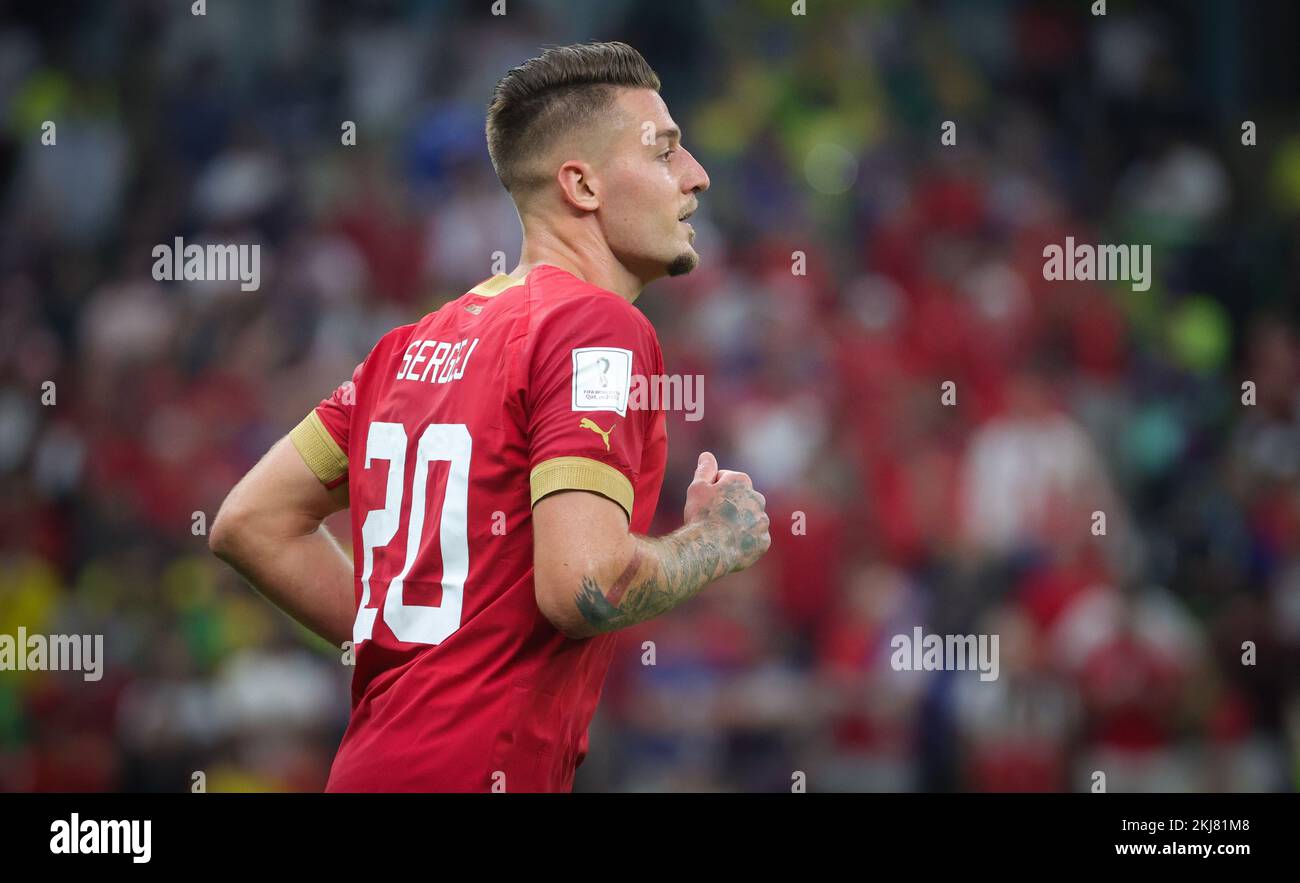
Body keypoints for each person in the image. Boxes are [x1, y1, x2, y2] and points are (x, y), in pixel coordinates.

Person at [209, 41, 771, 792]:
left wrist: (429, 648)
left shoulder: (403, 349)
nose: (696, 174)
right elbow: (584, 585)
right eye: (664, 150)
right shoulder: (594, 327)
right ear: (582, 184)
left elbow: (249, 520)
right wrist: (715, 541)